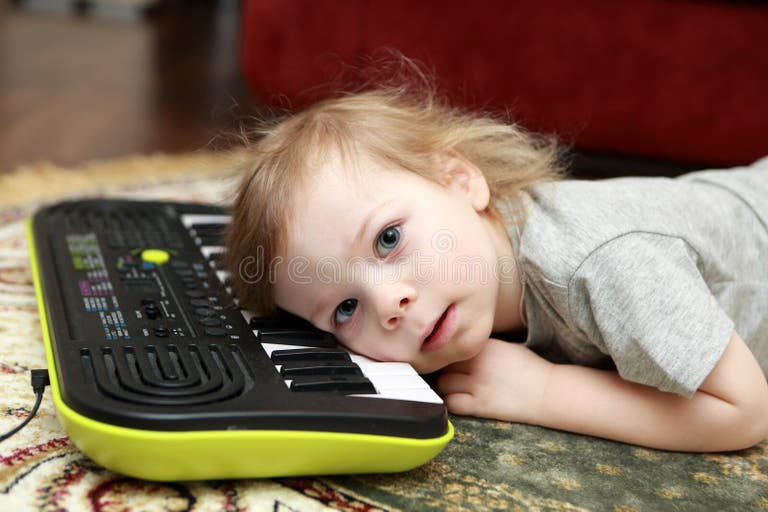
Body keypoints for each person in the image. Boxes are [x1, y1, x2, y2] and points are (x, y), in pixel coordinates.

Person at [224, 78, 768, 453]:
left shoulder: (601, 263)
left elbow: (743, 410)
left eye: (388, 238)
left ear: (460, 180)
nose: (389, 303)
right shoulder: (480, 270)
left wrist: (546, 392)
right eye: (346, 308)